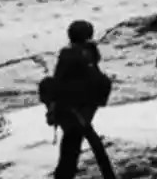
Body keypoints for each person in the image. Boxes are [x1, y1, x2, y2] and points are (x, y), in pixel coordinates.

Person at [41, 20, 112, 179]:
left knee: (71, 149)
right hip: (82, 109)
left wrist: (54, 106)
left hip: (72, 109)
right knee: (83, 146)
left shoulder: (70, 54)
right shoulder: (90, 53)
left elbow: (59, 81)